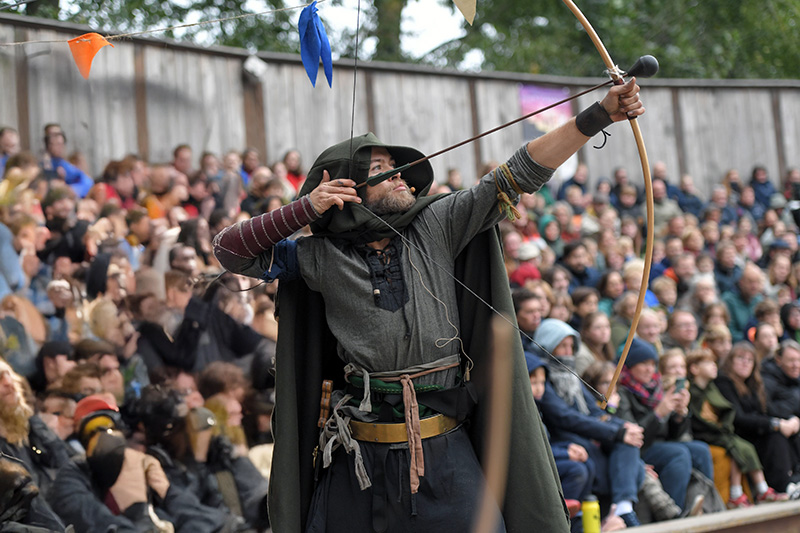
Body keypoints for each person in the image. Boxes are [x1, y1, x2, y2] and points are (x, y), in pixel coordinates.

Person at [213, 80, 645, 532]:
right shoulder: (318, 256)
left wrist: (600, 114)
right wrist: (303, 209)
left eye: (398, 167)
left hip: (445, 452)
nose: (400, 174)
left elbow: (518, 172)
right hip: (359, 458)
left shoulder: (436, 221)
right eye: (382, 168)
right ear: (346, 187)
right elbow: (230, 252)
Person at [532, 318, 646, 527]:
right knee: (628, 464)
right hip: (566, 438)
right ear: (548, 345)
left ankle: (623, 507)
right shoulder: (543, 375)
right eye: (562, 345)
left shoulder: (571, 374)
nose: (567, 351)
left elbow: (593, 411)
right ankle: (616, 515)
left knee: (630, 445)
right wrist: (615, 432)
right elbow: (564, 417)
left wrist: (620, 427)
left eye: (570, 346)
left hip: (587, 435)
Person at [616, 339, 713, 513]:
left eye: (652, 364)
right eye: (643, 364)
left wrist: (679, 415)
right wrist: (658, 413)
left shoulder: (656, 388)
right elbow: (632, 435)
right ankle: (674, 513)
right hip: (638, 450)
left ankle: (706, 507)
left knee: (701, 450)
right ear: (630, 366)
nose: (649, 369)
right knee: (678, 454)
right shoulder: (622, 392)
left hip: (660, 444)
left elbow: (674, 435)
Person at [686, 348, 787, 507]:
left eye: (714, 362)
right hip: (708, 433)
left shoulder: (713, 387)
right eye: (708, 363)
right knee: (737, 448)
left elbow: (727, 411)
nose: (714, 366)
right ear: (694, 369)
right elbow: (700, 418)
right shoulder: (696, 390)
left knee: (744, 447)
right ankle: (742, 493)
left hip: (721, 430)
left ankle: (756, 490)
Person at [717, 342, 800, 492]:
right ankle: (785, 486)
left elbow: (767, 410)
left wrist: (791, 419)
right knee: (776, 436)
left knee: (791, 431)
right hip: (739, 435)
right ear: (730, 361)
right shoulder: (724, 382)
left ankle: (796, 480)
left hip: (757, 432)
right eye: (740, 358)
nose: (745, 363)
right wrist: (775, 424)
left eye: (750, 360)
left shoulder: (754, 384)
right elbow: (738, 418)